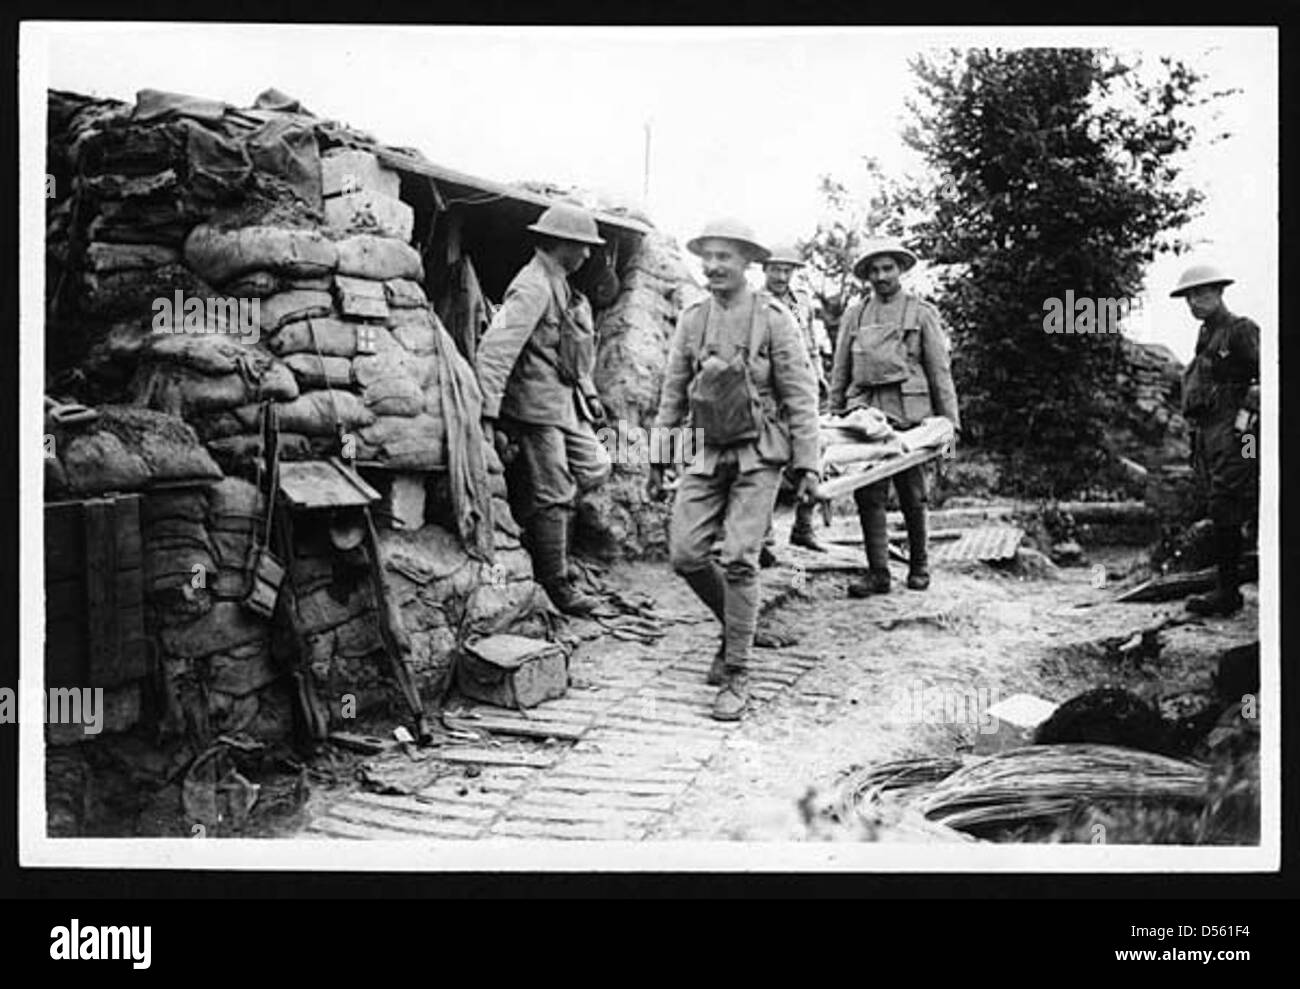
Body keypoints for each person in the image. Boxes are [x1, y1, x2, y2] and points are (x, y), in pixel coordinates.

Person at [647, 219, 820, 721]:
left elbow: (800, 394)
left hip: (759, 451)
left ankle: (738, 672)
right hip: (705, 448)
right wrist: (658, 458)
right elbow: (672, 392)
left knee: (742, 558)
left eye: (726, 257)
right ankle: (738, 625)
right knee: (685, 553)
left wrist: (807, 463)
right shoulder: (693, 318)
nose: (715, 265)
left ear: (748, 263)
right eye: (709, 256)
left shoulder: (774, 318)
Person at [475, 203, 612, 616]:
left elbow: (569, 350)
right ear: (562, 244)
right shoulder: (532, 285)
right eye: (582, 247)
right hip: (534, 409)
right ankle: (556, 582)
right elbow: (495, 351)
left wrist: (588, 393)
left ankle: (537, 521)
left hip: (566, 405)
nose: (588, 256)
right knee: (554, 491)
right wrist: (489, 413)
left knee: (596, 466)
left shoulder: (563, 286)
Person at [828, 238, 960, 596]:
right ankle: (879, 573)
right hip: (865, 416)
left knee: (912, 494)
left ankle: (919, 566)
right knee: (868, 495)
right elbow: (841, 368)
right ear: (866, 276)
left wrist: (950, 422)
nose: (881, 276)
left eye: (888, 268)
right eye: (874, 270)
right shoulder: (855, 315)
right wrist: (834, 413)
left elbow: (939, 371)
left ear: (900, 270)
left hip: (910, 418)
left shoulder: (921, 312)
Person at [1170, 264, 1260, 616]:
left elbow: (1267, 376)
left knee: (1229, 500)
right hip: (1211, 431)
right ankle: (1227, 586)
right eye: (1189, 296)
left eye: (1202, 293)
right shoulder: (1206, 335)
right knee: (1219, 503)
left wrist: (1245, 426)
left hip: (1239, 431)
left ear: (1220, 292)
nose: (1194, 301)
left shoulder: (1240, 330)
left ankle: (1228, 593)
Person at [760, 244, 831, 556]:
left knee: (814, 453)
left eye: (787, 269)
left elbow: (812, 344)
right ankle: (762, 538)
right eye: (775, 269)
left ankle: (804, 527)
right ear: (764, 270)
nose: (781, 275)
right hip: (774, 392)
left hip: (803, 387)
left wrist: (819, 376)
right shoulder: (757, 303)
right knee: (769, 459)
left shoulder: (802, 302)